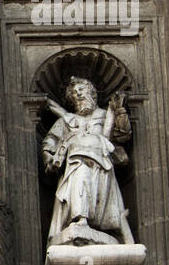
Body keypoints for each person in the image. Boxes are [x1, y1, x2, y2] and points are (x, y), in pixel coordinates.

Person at [42, 77, 134, 245]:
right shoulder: (66, 121)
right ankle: (81, 219)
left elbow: (123, 135)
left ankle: (101, 226)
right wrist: (50, 158)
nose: (78, 95)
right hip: (75, 165)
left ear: (92, 93)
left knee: (89, 182)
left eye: (81, 90)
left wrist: (119, 111)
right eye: (75, 93)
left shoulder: (105, 116)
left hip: (102, 168)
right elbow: (49, 143)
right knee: (80, 178)